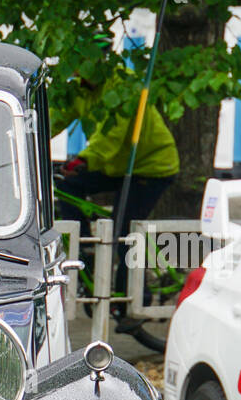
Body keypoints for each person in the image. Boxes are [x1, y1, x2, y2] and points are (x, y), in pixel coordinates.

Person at [52, 40, 179, 314]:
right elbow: (54, 117)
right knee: (69, 186)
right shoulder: (81, 90)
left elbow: (112, 134)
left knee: (124, 232)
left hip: (150, 167)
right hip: (117, 165)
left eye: (79, 67)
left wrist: (83, 159)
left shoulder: (123, 85)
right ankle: (84, 248)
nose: (75, 74)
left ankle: (132, 301)